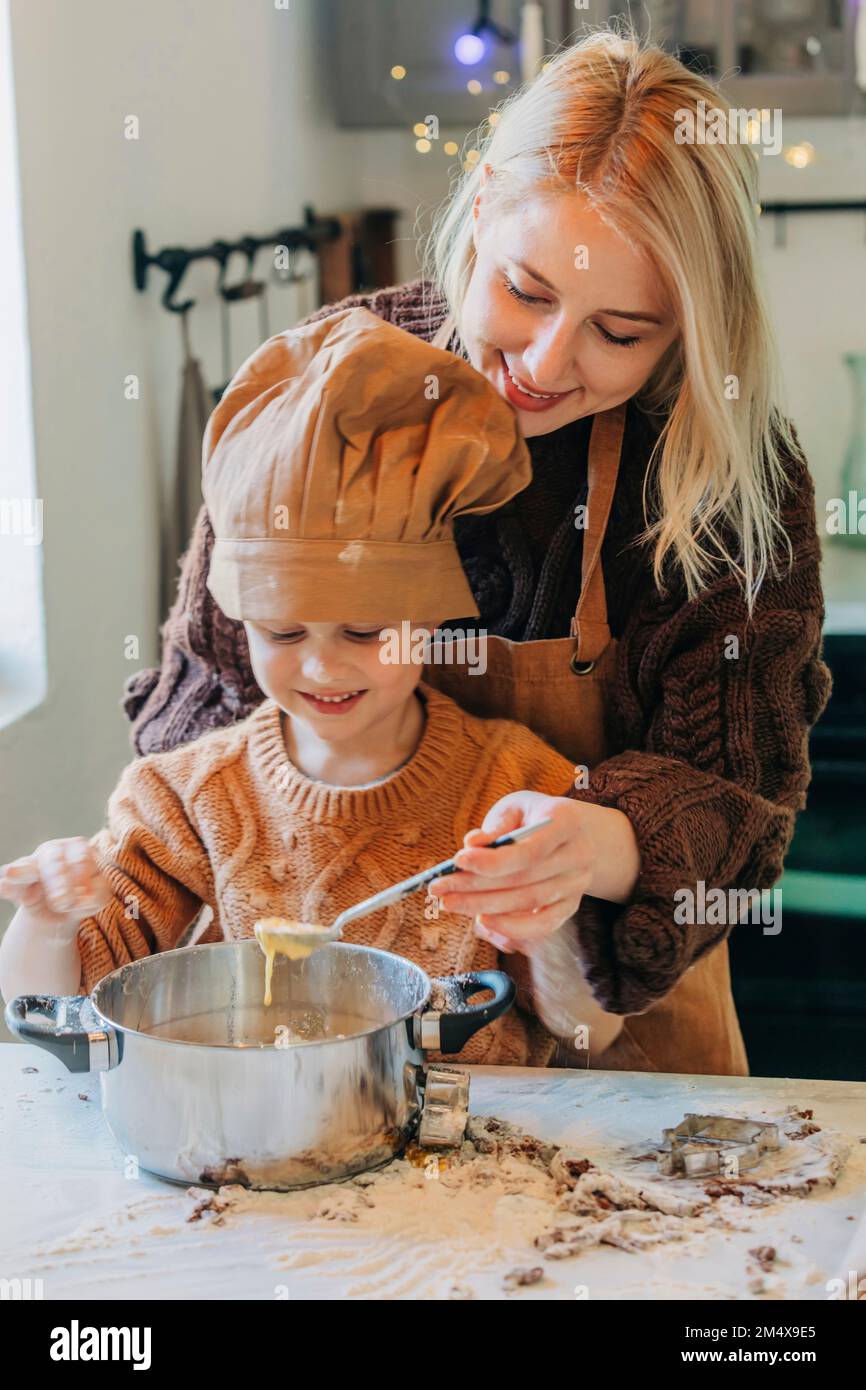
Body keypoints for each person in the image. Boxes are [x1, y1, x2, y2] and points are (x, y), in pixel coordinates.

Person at [121, 30, 832, 1075]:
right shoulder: (330, 385)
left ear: (685, 326)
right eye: (528, 293)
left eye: (620, 332)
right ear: (487, 196)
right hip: (330, 1030)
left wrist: (597, 841)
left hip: (624, 1052)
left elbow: (743, 803)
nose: (548, 362)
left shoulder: (720, 468)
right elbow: (205, 715)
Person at [0, 308, 634, 1067]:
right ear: (242, 624)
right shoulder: (188, 798)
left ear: (431, 621)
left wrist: (548, 930)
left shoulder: (514, 784)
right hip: (267, 1162)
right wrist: (46, 922)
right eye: (284, 633)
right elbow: (67, 1013)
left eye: (365, 634)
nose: (323, 668)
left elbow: (592, 1028)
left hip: (482, 1165)